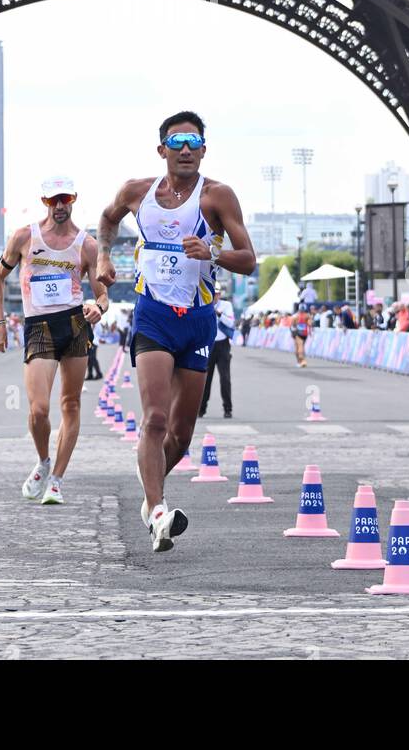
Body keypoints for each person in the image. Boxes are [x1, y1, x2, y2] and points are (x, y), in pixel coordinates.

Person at [96, 111, 256, 554]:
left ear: (204, 149)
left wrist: (214, 252)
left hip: (200, 319)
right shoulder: (135, 192)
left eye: (194, 141)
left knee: (181, 435)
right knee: (155, 419)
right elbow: (107, 220)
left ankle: (152, 499)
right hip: (153, 316)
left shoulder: (217, 197)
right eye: (177, 140)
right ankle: (159, 507)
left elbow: (249, 259)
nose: (185, 148)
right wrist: (103, 258)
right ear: (161, 148)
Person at [0, 176, 107, 506]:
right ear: (44, 202)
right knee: (39, 410)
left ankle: (57, 479)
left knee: (70, 404)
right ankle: (42, 461)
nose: (59, 205)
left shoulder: (87, 244)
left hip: (74, 323)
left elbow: (102, 294)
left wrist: (97, 307)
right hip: (38, 325)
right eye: (53, 200)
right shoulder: (25, 236)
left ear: (73, 199)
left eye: (65, 199)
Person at [199, 285, 236, 417]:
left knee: (225, 378)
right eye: (213, 294)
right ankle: (201, 409)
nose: (215, 297)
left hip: (223, 344)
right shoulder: (203, 304)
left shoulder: (226, 305)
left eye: (217, 294)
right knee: (205, 379)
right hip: (208, 344)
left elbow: (231, 324)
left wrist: (219, 314)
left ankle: (228, 409)